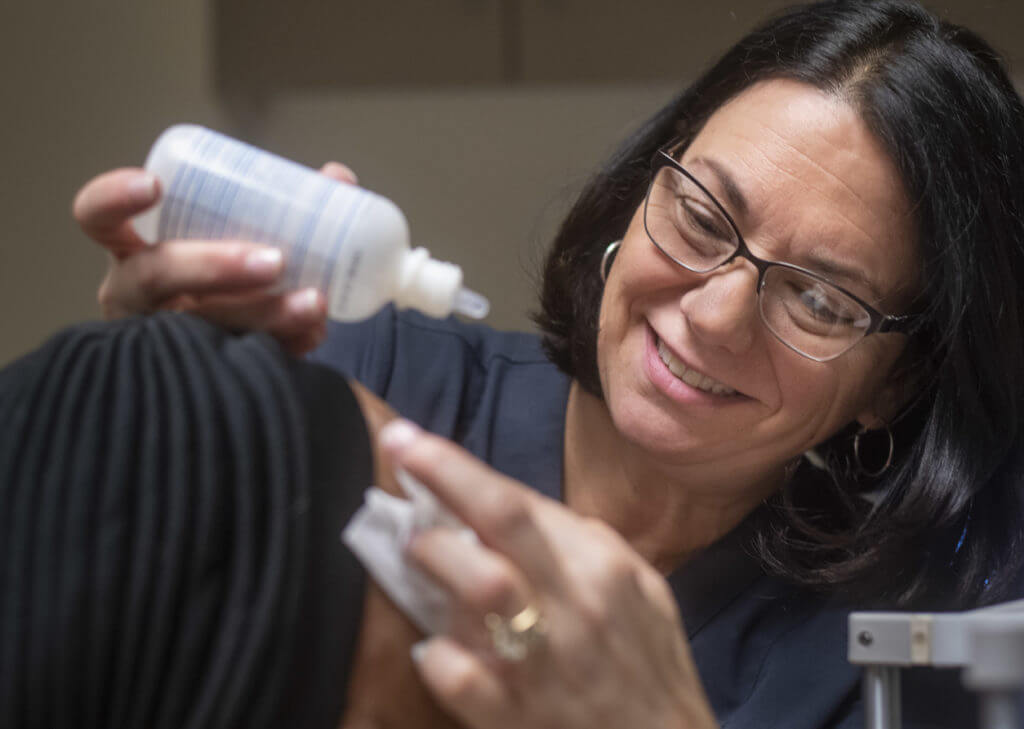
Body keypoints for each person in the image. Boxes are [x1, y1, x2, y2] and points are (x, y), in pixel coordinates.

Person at [65, 0, 1024, 727]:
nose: (717, 311)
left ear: (894, 381)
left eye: (819, 297)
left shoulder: (877, 661)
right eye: (700, 216)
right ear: (642, 188)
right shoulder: (354, 371)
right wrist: (149, 385)